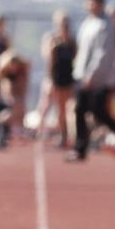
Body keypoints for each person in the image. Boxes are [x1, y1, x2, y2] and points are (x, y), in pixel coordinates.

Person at [68, 0, 115, 162]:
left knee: (95, 112)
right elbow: (82, 50)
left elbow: (102, 54)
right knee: (85, 111)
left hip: (97, 79)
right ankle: (81, 147)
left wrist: (92, 75)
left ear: (100, 4)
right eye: (89, 2)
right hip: (82, 74)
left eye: (94, 2)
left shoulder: (105, 25)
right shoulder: (87, 23)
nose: (90, 5)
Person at [37, 11, 77, 148]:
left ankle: (71, 136)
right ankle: (55, 135)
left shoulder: (72, 42)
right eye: (62, 25)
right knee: (58, 110)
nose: (65, 27)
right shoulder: (53, 42)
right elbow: (50, 63)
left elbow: (77, 61)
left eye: (67, 24)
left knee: (70, 110)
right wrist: (50, 80)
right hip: (57, 80)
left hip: (69, 80)